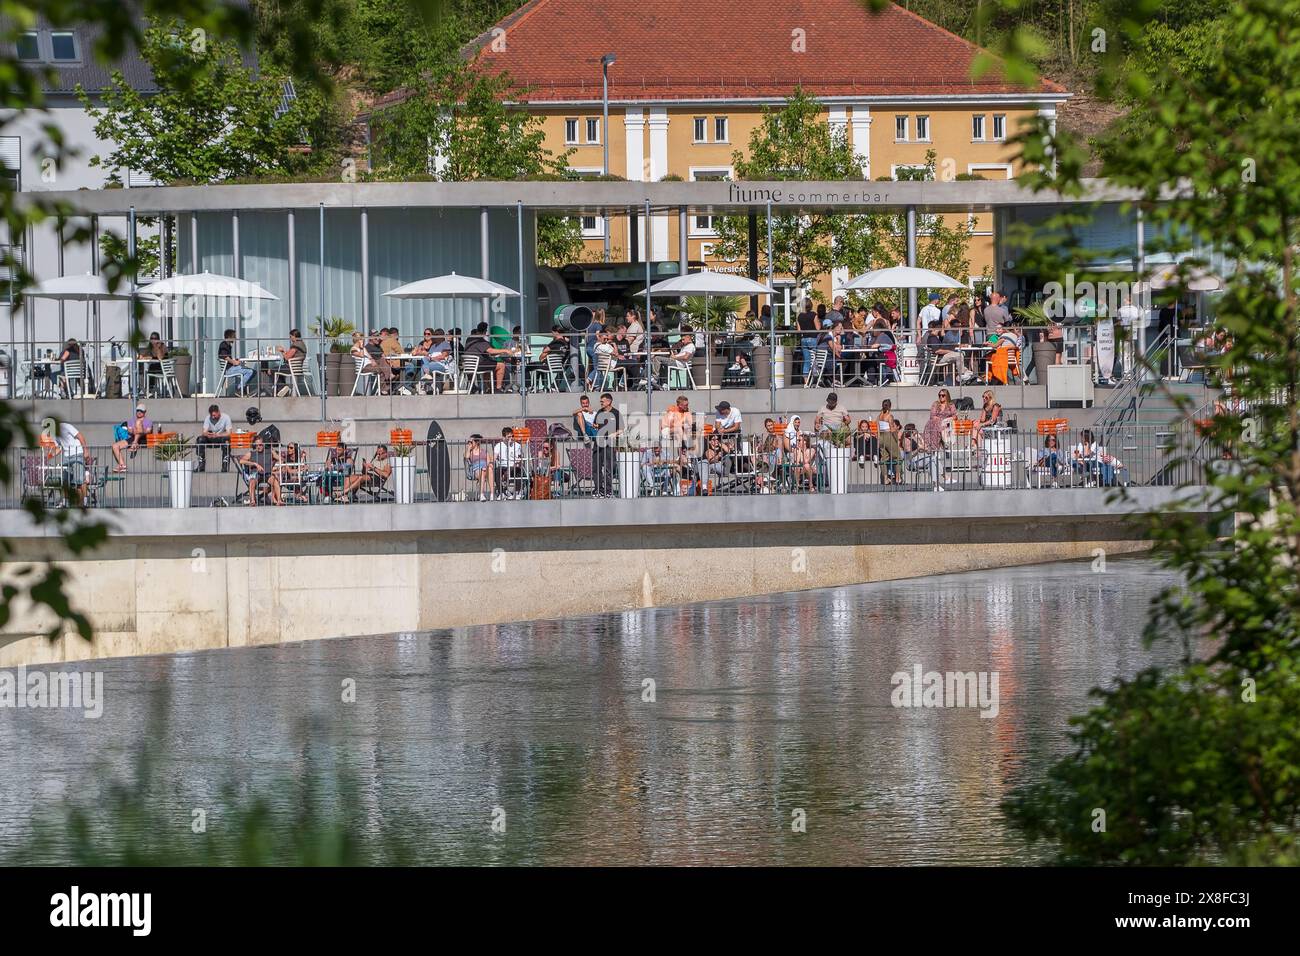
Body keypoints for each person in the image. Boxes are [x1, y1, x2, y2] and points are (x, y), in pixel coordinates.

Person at [592, 392, 621, 497]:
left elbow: (621, 429)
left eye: (602, 401)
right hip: (598, 443)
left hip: (609, 444)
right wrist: (595, 426)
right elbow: (595, 425)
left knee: (609, 468)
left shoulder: (616, 413)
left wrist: (614, 434)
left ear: (609, 401)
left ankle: (608, 491)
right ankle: (598, 490)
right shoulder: (599, 412)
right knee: (596, 468)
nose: (601, 403)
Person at [53, 420, 89, 502]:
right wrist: (50, 455)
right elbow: (58, 448)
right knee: (65, 480)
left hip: (77, 453)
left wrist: (85, 450)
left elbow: (80, 436)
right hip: (66, 456)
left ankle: (84, 502)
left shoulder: (66, 426)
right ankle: (65, 502)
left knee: (79, 480)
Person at [237, 436, 277, 507]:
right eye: (257, 445)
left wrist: (276, 466)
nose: (259, 447)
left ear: (263, 444)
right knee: (252, 481)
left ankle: (275, 499)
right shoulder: (251, 453)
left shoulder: (269, 452)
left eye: (260, 444)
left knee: (275, 479)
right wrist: (254, 464)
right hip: (256, 475)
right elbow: (241, 461)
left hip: (267, 474)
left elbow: (280, 458)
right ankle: (253, 501)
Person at [196, 403, 232, 473]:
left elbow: (229, 433)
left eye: (214, 415)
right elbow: (204, 432)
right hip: (211, 437)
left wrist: (218, 435)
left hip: (220, 437)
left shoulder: (226, 417)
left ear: (218, 412)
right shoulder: (208, 418)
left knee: (226, 440)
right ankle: (201, 464)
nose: (213, 417)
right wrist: (207, 434)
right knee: (200, 439)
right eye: (211, 415)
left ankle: (225, 465)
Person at [492, 427, 526, 500]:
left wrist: (519, 461)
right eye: (509, 437)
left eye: (512, 436)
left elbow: (521, 458)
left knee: (519, 471)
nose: (511, 438)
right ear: (504, 437)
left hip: (514, 465)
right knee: (496, 471)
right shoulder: (498, 445)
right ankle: (502, 492)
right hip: (503, 466)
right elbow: (494, 458)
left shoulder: (517, 445)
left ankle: (517, 493)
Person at [218, 328, 255, 394]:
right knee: (250, 371)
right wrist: (234, 362)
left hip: (230, 368)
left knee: (252, 371)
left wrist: (235, 360)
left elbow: (227, 357)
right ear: (229, 337)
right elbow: (224, 356)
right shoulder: (223, 345)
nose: (235, 338)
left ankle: (242, 388)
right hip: (228, 370)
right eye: (234, 336)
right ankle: (239, 389)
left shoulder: (228, 345)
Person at [876, 399, 902, 484]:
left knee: (883, 459)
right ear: (890, 406)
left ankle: (885, 478)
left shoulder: (879, 416)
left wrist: (879, 439)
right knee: (898, 457)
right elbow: (891, 429)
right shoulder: (889, 416)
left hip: (881, 437)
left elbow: (878, 429)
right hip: (888, 436)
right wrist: (896, 439)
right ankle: (898, 477)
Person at [464, 434, 494, 501]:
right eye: (468, 442)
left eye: (471, 442)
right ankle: (481, 494)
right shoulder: (470, 452)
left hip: (485, 469)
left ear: (477, 442)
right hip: (475, 470)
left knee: (489, 469)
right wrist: (469, 448)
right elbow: (466, 457)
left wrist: (489, 465)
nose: (469, 443)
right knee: (482, 470)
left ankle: (492, 494)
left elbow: (489, 462)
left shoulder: (484, 451)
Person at [796, 298, 819, 383]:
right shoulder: (813, 315)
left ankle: (806, 381)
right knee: (814, 360)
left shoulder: (799, 316)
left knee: (807, 360)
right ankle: (815, 379)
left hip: (804, 339)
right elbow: (818, 328)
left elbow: (799, 330)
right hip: (812, 338)